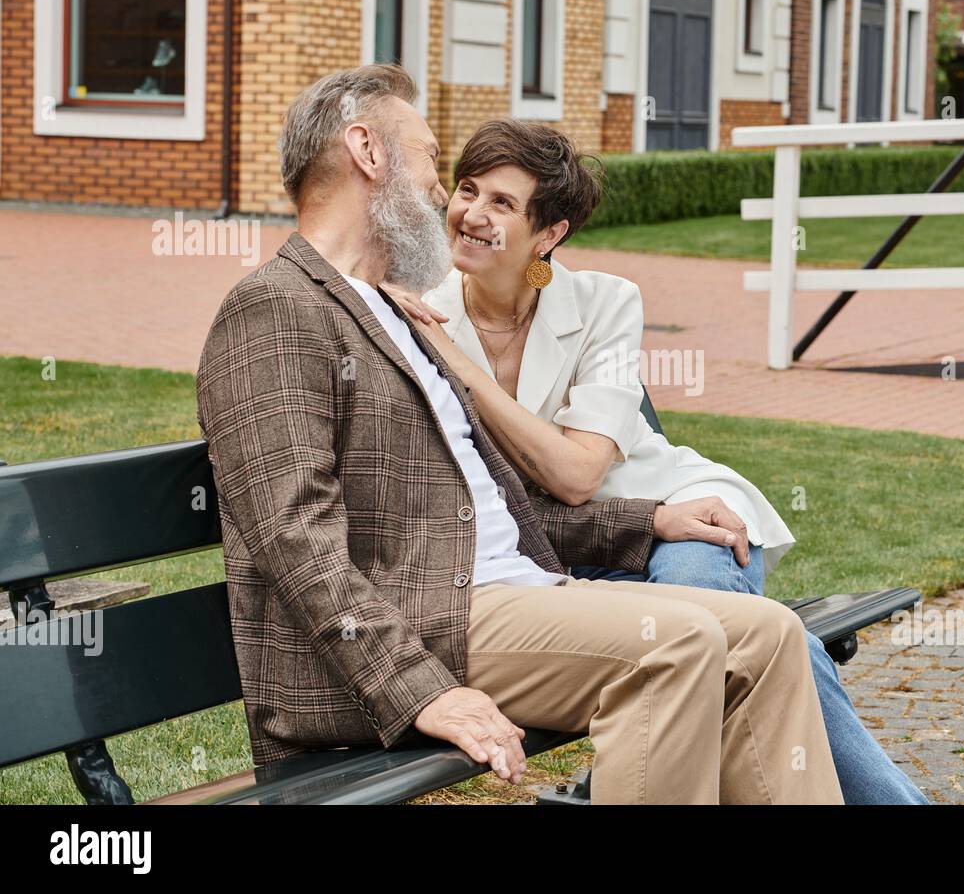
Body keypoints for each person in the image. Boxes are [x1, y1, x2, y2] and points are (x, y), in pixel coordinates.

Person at [195, 65, 843, 804]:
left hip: (501, 594)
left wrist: (649, 521)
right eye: (434, 162)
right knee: (677, 646)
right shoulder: (275, 307)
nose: (444, 193)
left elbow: (489, 512)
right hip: (421, 624)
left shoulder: (397, 316)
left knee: (769, 637)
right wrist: (419, 692)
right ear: (367, 152)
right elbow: (292, 536)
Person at [384, 118, 927, 805]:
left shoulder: (604, 302)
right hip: (555, 553)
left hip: (676, 514)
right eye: (468, 190)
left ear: (549, 235)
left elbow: (579, 474)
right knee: (764, 645)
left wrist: (466, 373)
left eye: (503, 203)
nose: (473, 214)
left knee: (731, 631)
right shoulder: (416, 311)